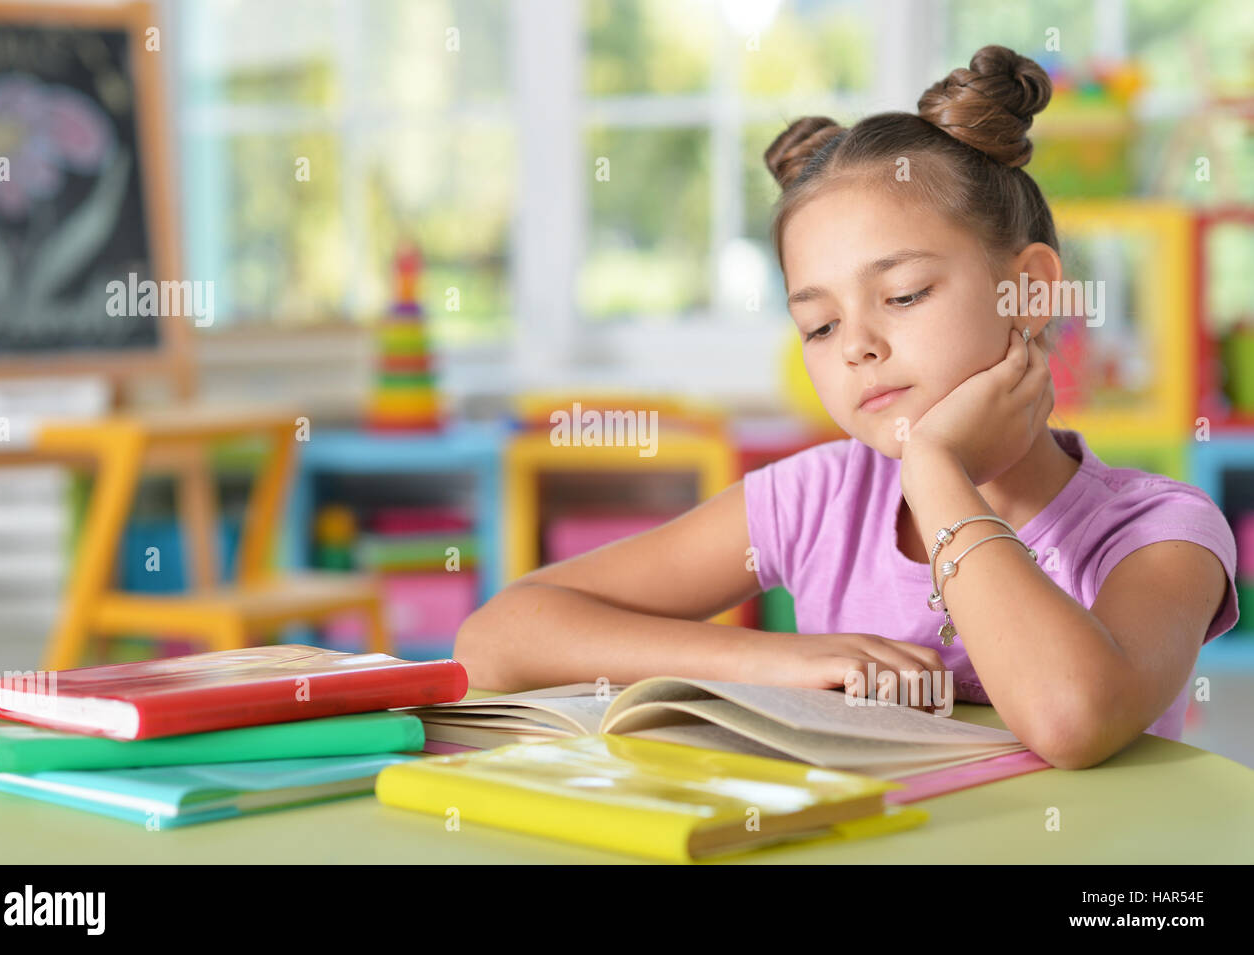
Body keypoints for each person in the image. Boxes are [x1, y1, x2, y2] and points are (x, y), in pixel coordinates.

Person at [454, 46, 1238, 770]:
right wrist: (780, 659)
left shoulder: (1159, 531)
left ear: (1030, 288)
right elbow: (495, 640)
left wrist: (936, 471)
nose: (856, 346)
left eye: (903, 295)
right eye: (819, 325)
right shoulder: (819, 500)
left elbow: (1072, 718)